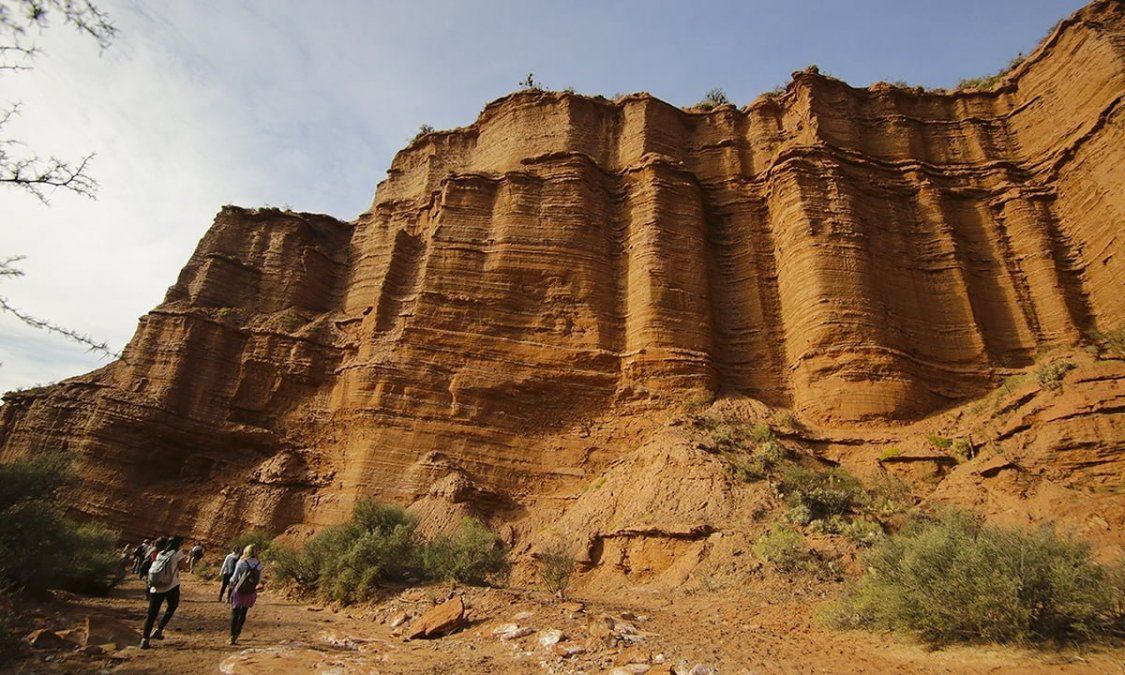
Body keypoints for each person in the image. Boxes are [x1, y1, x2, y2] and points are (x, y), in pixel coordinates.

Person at [140, 536, 188, 649]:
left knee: (151, 615)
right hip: (171, 586)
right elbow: (184, 566)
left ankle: (144, 639)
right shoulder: (177, 553)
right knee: (172, 606)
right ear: (179, 544)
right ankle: (159, 630)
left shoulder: (161, 552)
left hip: (155, 587)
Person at [228, 544, 264, 646]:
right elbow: (259, 580)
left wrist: (230, 586)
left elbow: (234, 578)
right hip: (250, 592)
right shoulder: (260, 564)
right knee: (243, 613)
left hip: (239, 591)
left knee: (235, 614)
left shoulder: (241, 562)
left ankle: (232, 636)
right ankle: (237, 634)